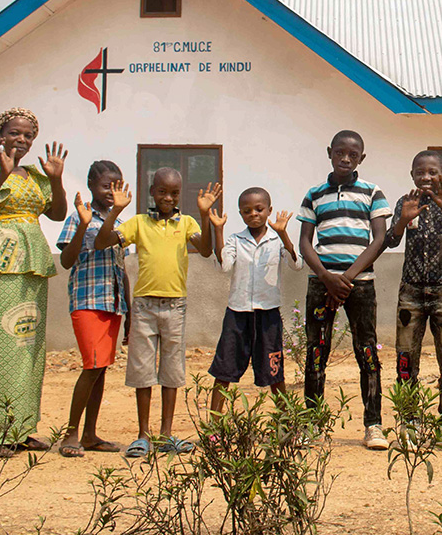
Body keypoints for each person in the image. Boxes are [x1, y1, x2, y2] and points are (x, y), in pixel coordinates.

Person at [0, 108, 68, 459]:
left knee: (28, 350)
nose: (22, 140)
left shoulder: (37, 175)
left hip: (31, 266)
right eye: (14, 133)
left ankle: (20, 429)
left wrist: (57, 179)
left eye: (28, 135)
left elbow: (58, 213)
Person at [93, 169, 221, 457]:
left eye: (174, 193)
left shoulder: (187, 222)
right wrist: (115, 210)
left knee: (172, 371)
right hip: (144, 306)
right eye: (162, 191)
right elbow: (102, 242)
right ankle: (142, 435)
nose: (168, 198)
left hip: (175, 306)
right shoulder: (139, 223)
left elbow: (205, 249)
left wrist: (204, 215)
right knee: (142, 371)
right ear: (152, 192)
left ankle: (165, 435)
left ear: (180, 195)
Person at [297, 130, 391, 449]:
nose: (345, 159)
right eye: (340, 153)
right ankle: (312, 424)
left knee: (366, 350)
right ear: (329, 152)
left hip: (359, 285)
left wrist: (346, 278)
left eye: (353, 155)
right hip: (322, 284)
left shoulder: (372, 192)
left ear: (361, 159)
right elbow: (305, 243)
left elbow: (379, 240)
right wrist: (326, 277)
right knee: (315, 351)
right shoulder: (314, 195)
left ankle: (374, 424)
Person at [385, 150, 442, 452]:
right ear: (412, 176)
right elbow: (391, 241)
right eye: (420, 172)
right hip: (411, 291)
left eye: (432, 172)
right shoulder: (405, 203)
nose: (427, 177)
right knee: (406, 359)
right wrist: (402, 220)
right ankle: (409, 422)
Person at [56, 160, 131, 457]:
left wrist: (130, 312)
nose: (112, 191)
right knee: (92, 365)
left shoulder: (121, 225)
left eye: (117, 185)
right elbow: (66, 260)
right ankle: (71, 433)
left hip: (113, 304)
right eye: (105, 186)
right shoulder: (80, 216)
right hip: (87, 301)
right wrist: (84, 225)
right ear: (90, 186)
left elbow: (121, 268)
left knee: (101, 369)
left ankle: (90, 433)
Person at [207, 187, 300, 413]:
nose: (254, 214)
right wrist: (218, 230)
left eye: (259, 209)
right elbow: (223, 266)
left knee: (274, 373)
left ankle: (287, 426)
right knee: (224, 371)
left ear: (269, 210)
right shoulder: (236, 240)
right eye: (247, 211)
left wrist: (283, 234)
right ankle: (215, 431)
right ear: (240, 214)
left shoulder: (276, 240)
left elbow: (296, 264)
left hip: (268, 316)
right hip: (237, 315)